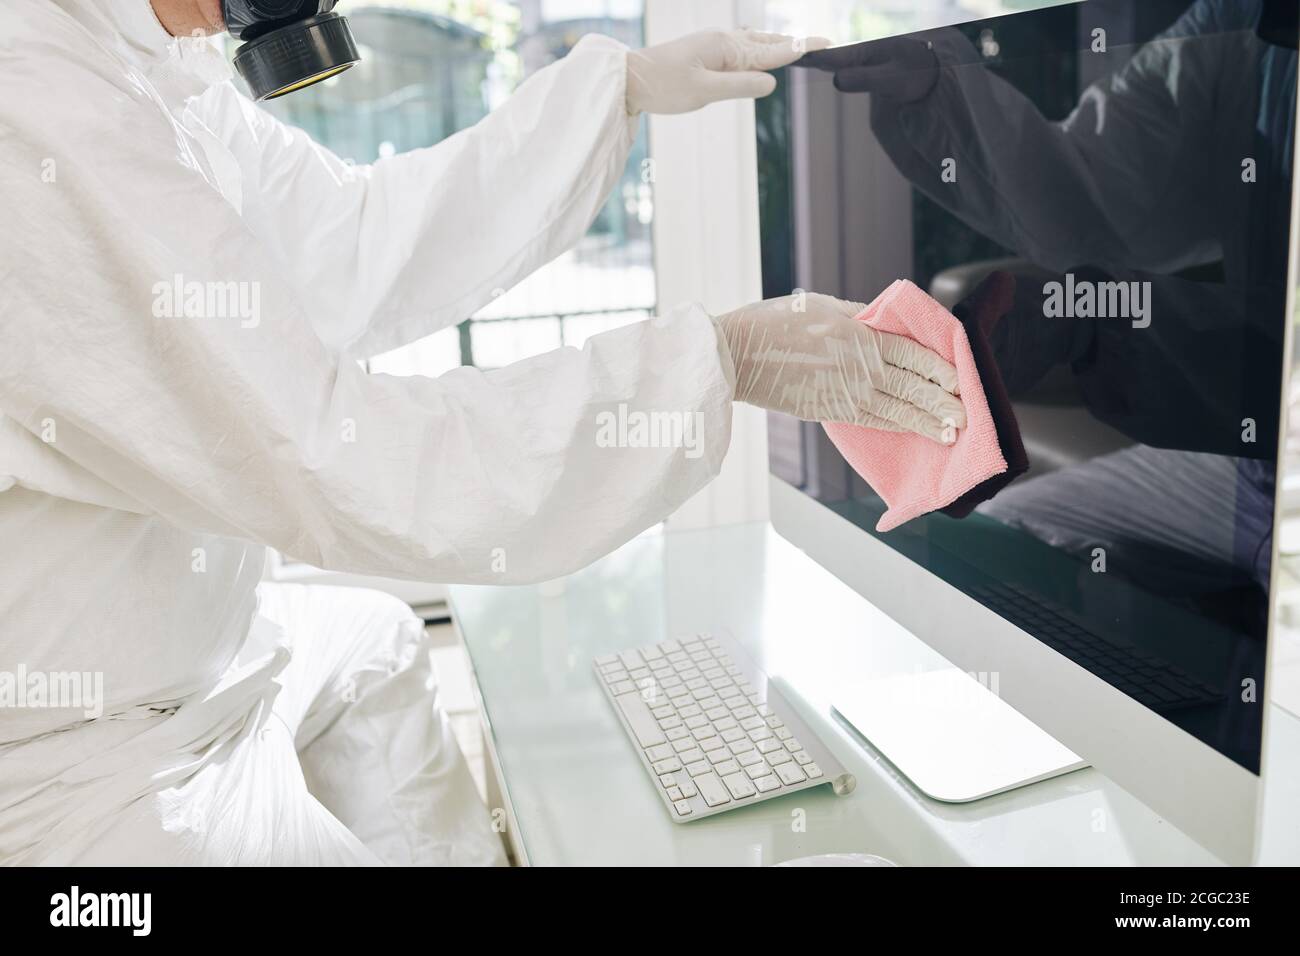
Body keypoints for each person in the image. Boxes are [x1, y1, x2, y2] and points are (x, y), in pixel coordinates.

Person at [0, 0, 965, 865]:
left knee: (374, 638)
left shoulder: (150, 57)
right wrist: (717, 364)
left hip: (194, 651)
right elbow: (335, 459)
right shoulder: (37, 103)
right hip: (83, 760)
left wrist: (613, 93)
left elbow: (357, 241)